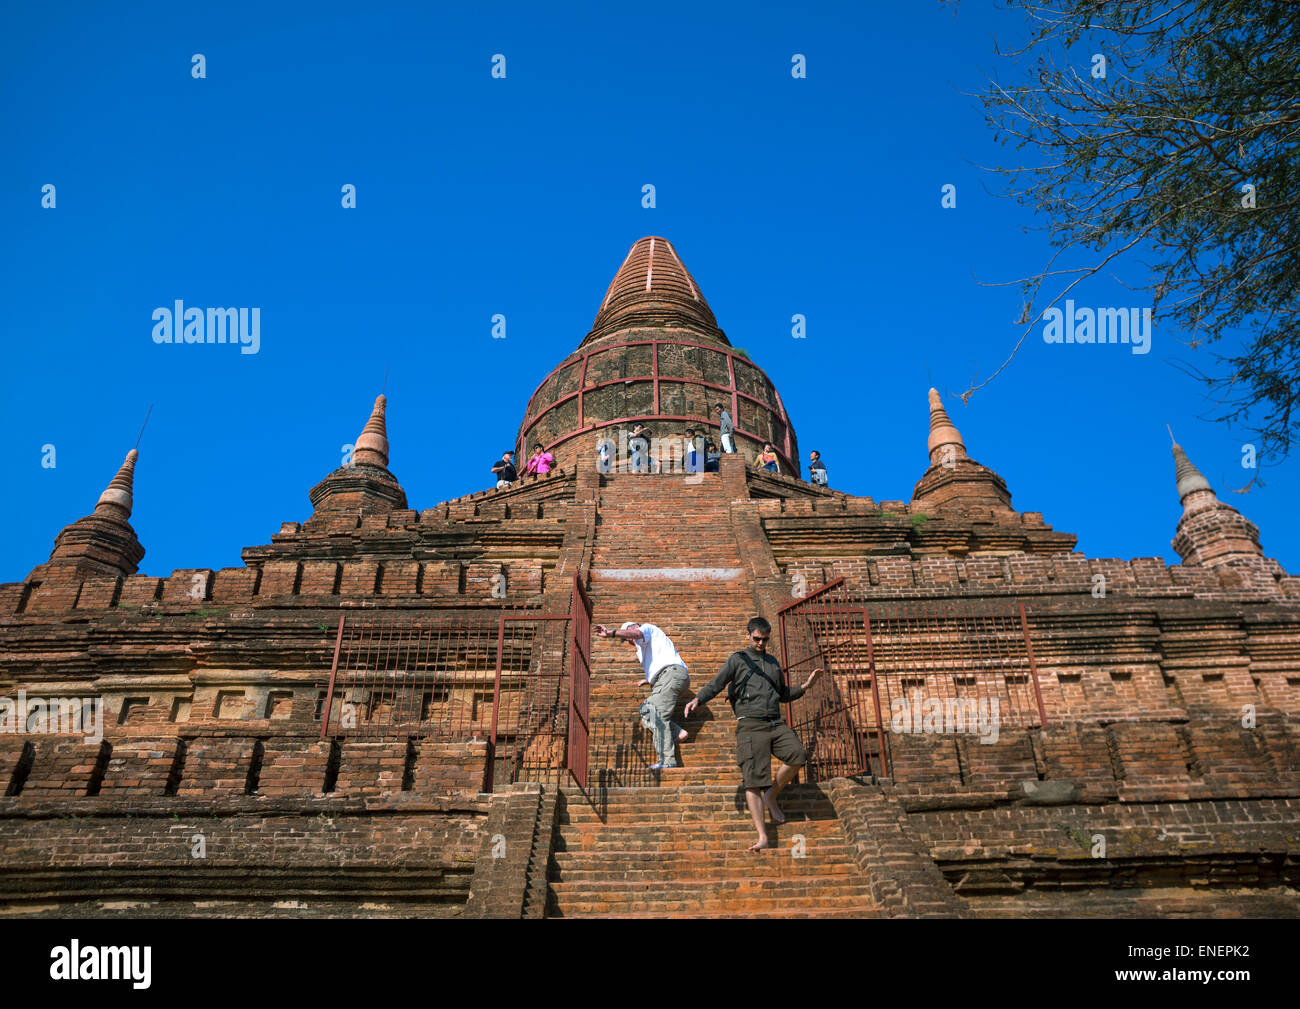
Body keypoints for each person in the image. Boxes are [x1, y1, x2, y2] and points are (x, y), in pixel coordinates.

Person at [684, 617, 822, 851]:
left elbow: (783, 693)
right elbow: (717, 683)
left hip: (775, 723)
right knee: (753, 780)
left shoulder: (772, 662)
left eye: (764, 639)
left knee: (797, 755)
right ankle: (763, 837)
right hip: (750, 725)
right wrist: (698, 698)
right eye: (756, 638)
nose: (760, 643)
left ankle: (771, 795)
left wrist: (806, 686)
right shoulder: (738, 660)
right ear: (748, 635)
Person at [595, 620, 691, 770]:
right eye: (626, 639)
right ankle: (676, 732)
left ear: (634, 627)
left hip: (671, 674)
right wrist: (650, 679)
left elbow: (637, 634)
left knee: (656, 713)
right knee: (646, 710)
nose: (628, 640)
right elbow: (659, 661)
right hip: (666, 677)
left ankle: (667, 760)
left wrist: (611, 633)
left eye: (627, 635)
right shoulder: (641, 649)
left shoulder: (647, 629)